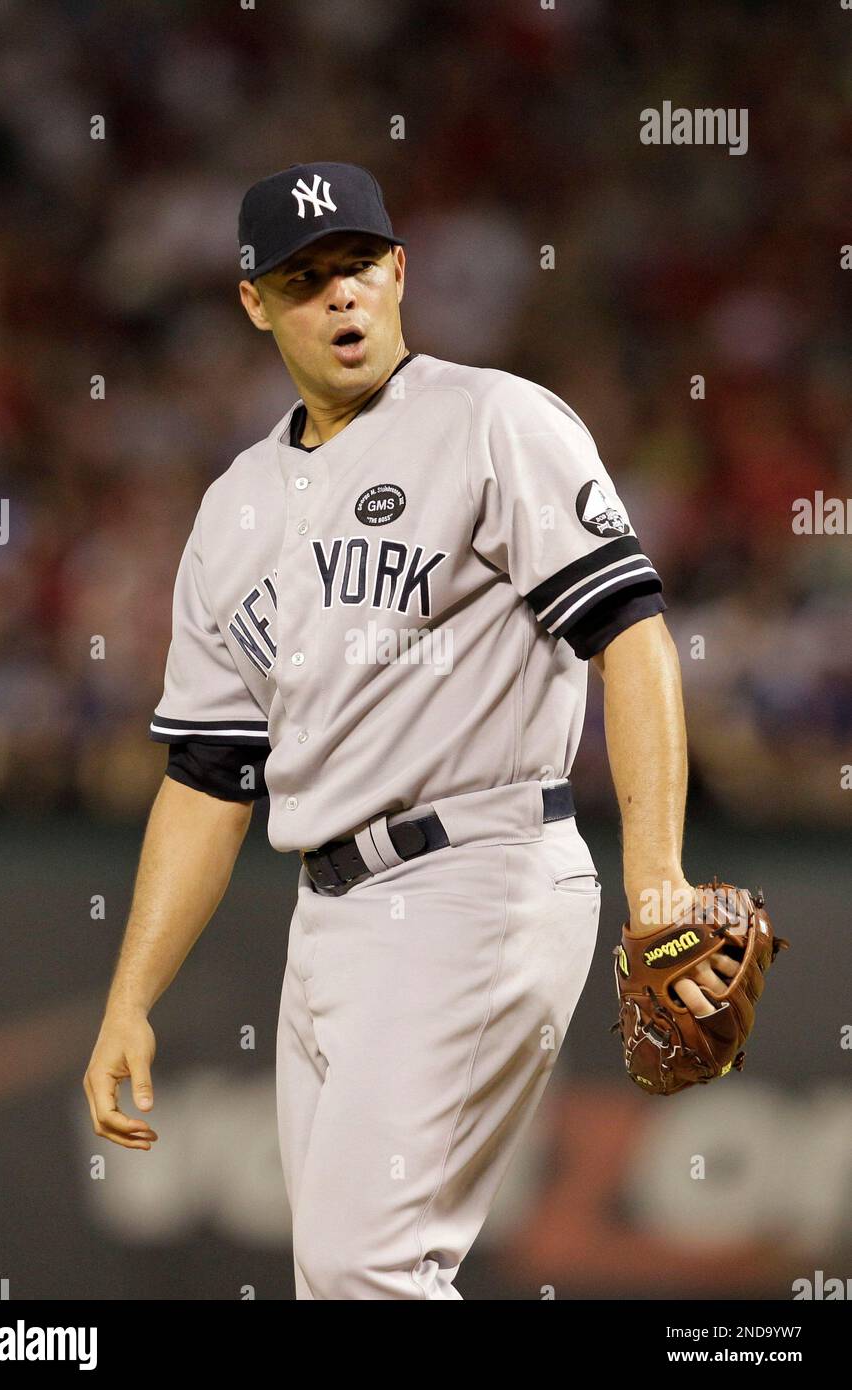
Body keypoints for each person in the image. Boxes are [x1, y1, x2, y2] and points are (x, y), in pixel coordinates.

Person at [83, 161, 736, 1300]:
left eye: (355, 269)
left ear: (398, 273)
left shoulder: (495, 422)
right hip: (327, 916)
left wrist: (662, 880)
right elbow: (207, 772)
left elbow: (629, 631)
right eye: (302, 280)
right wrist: (128, 998)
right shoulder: (233, 505)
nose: (338, 299)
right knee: (345, 1276)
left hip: (477, 875)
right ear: (255, 303)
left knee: (362, 1267)